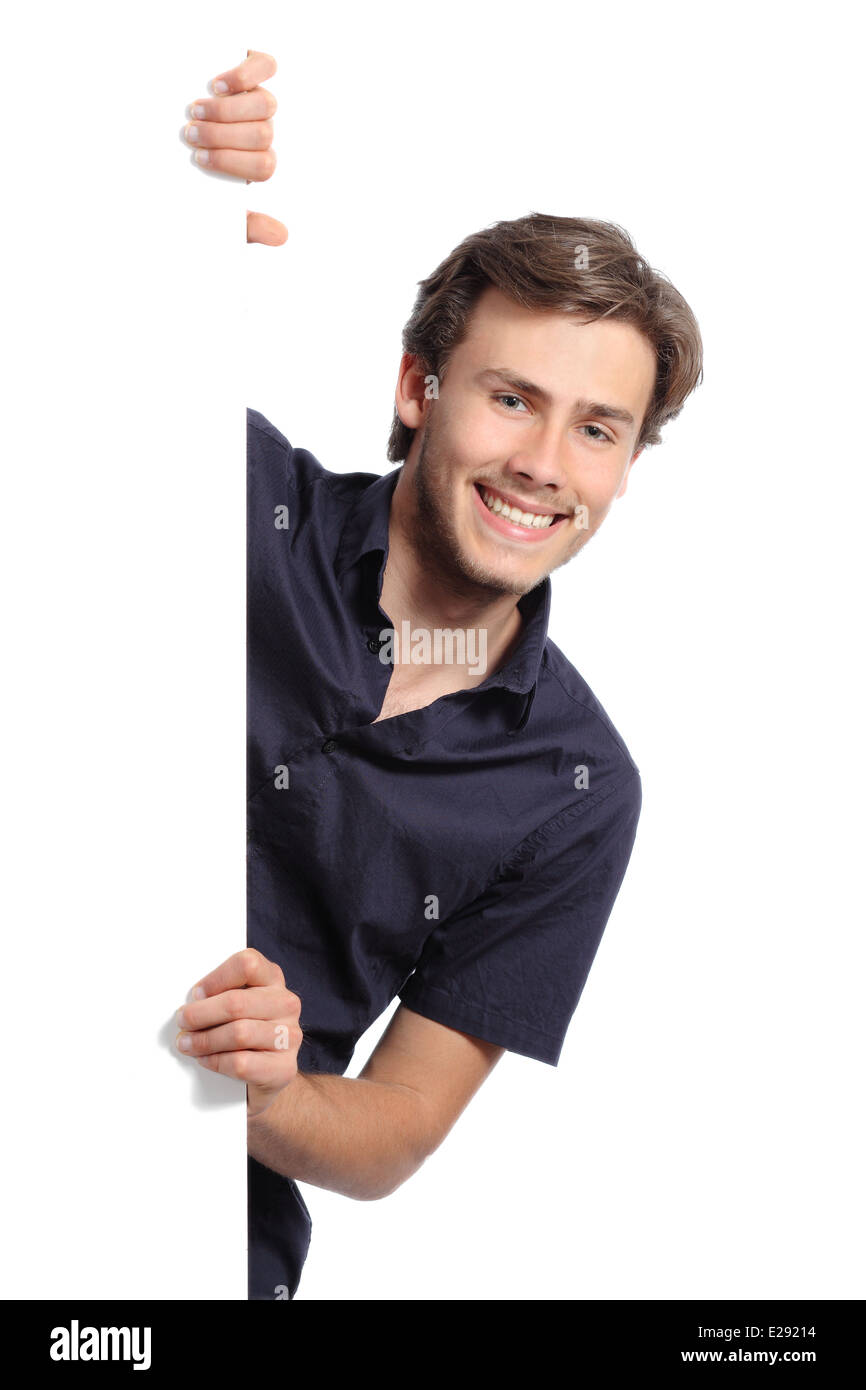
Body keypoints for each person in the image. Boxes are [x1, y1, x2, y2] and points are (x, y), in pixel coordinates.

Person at [174, 51, 704, 1300]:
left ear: (624, 467)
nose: (541, 463)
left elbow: (393, 1130)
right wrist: (155, 198)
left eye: (595, 428)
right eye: (509, 398)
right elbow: (42, 367)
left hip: (181, 1245)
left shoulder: (576, 790)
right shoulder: (227, 492)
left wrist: (266, 1093)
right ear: (417, 389)